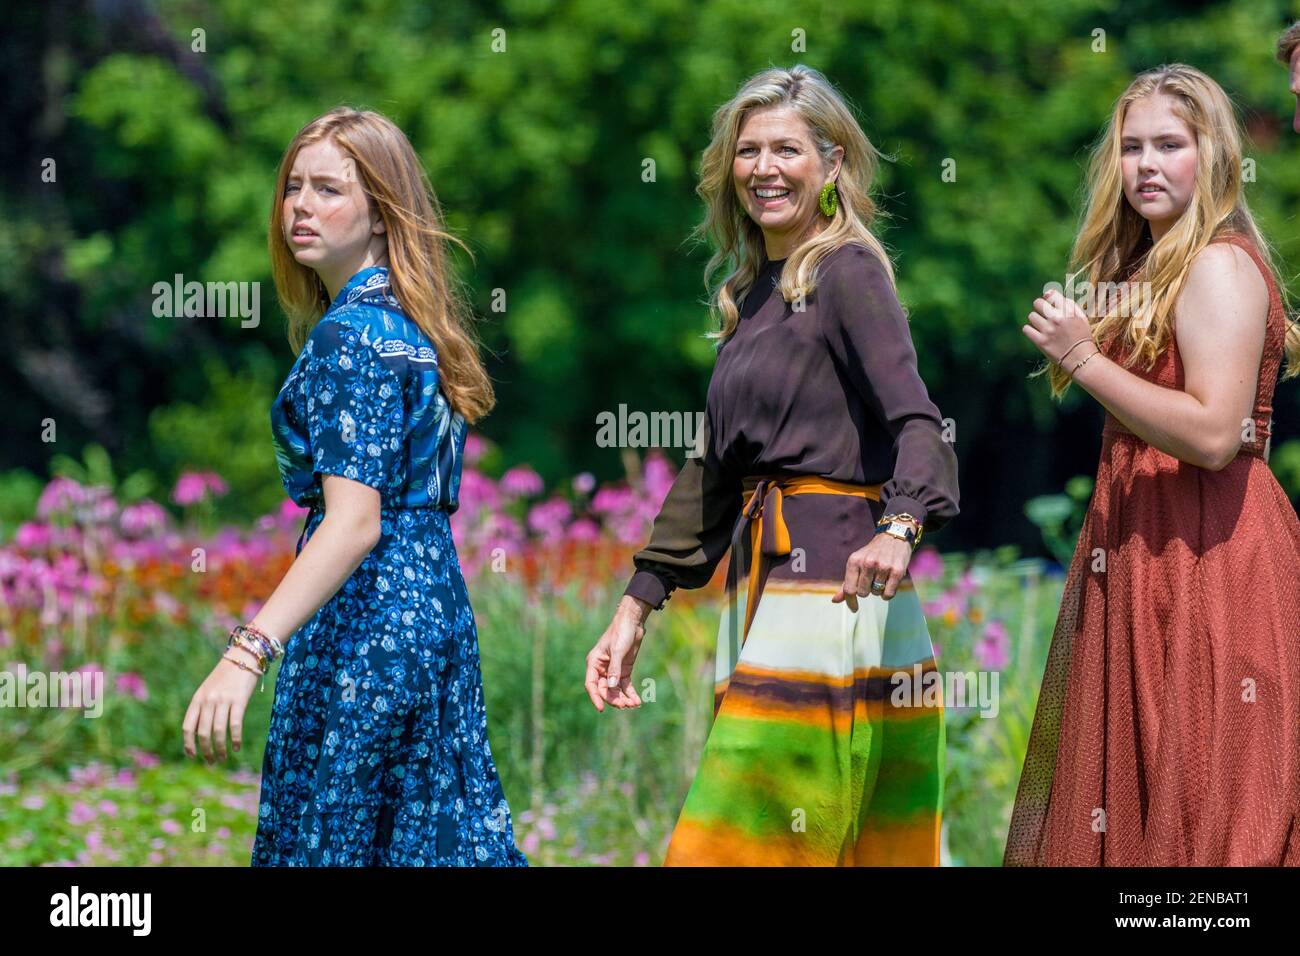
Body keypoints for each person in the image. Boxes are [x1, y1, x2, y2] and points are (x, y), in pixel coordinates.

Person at [583, 65, 959, 866]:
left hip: (834, 591)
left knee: (733, 847)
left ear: (831, 164)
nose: (763, 169)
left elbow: (919, 422)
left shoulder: (846, 272)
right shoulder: (751, 293)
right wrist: (636, 604)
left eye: (785, 149)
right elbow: (715, 473)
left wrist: (899, 526)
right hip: (764, 589)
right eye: (747, 152)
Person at [181, 107, 527, 867]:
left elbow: (353, 522)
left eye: (329, 190)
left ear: (381, 212)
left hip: (366, 626)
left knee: (336, 845)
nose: (301, 206)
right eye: (293, 187)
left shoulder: (350, 336)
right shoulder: (407, 325)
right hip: (431, 613)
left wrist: (246, 652)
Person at [1006, 64, 1300, 866]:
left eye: (1170, 144)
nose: (1145, 165)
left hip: (1212, 559)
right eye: (1131, 146)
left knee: (1214, 810)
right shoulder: (1152, 266)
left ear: (1215, 155)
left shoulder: (1218, 264)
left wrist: (1084, 359)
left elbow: (1216, 434)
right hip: (1144, 553)